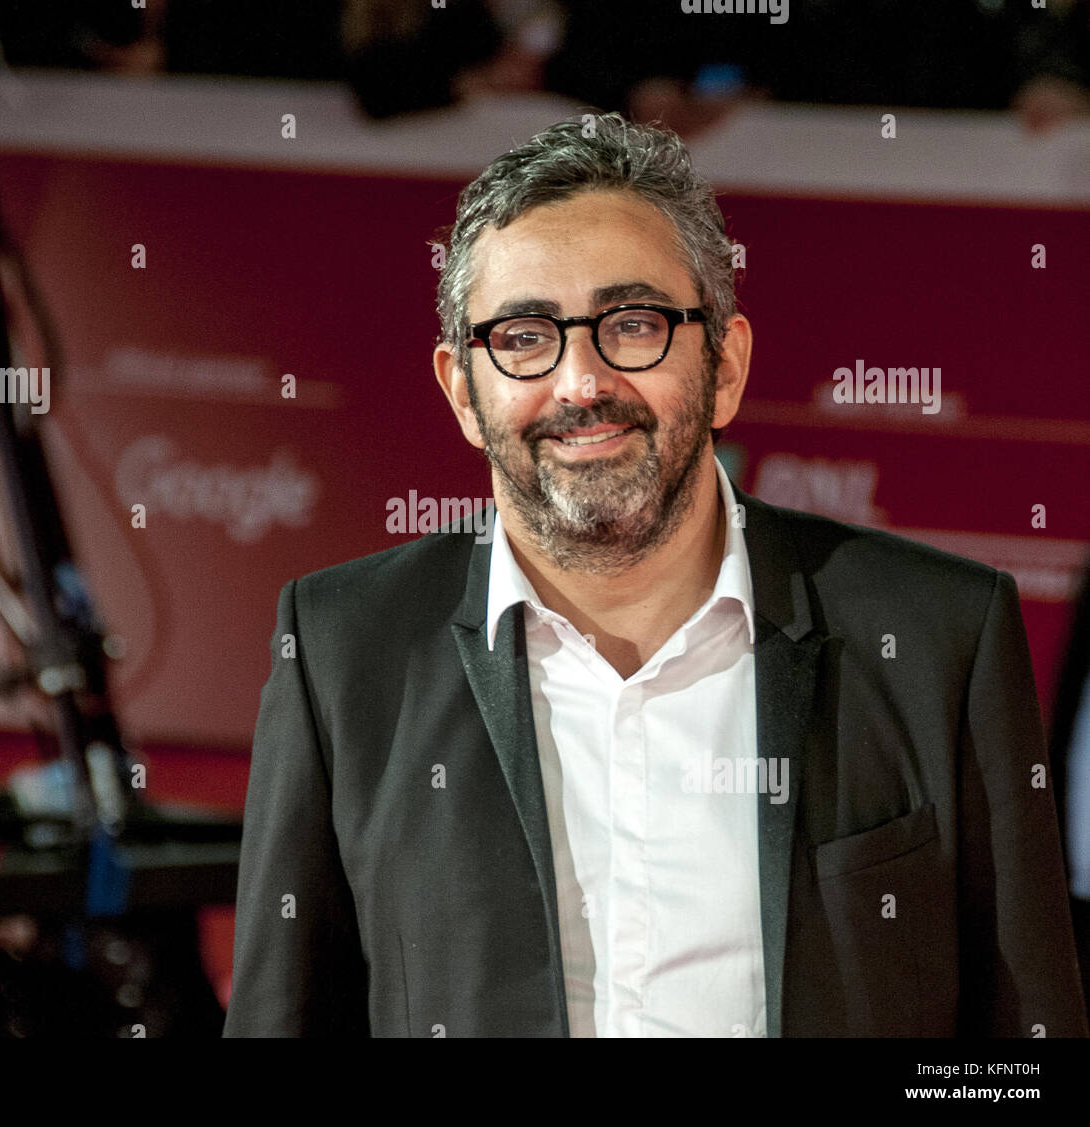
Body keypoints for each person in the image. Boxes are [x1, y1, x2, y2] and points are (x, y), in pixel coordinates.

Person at [222, 113, 1088, 1037]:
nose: (581, 381)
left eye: (632, 325)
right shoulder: (343, 646)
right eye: (523, 336)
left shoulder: (937, 636)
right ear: (462, 391)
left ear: (726, 367)